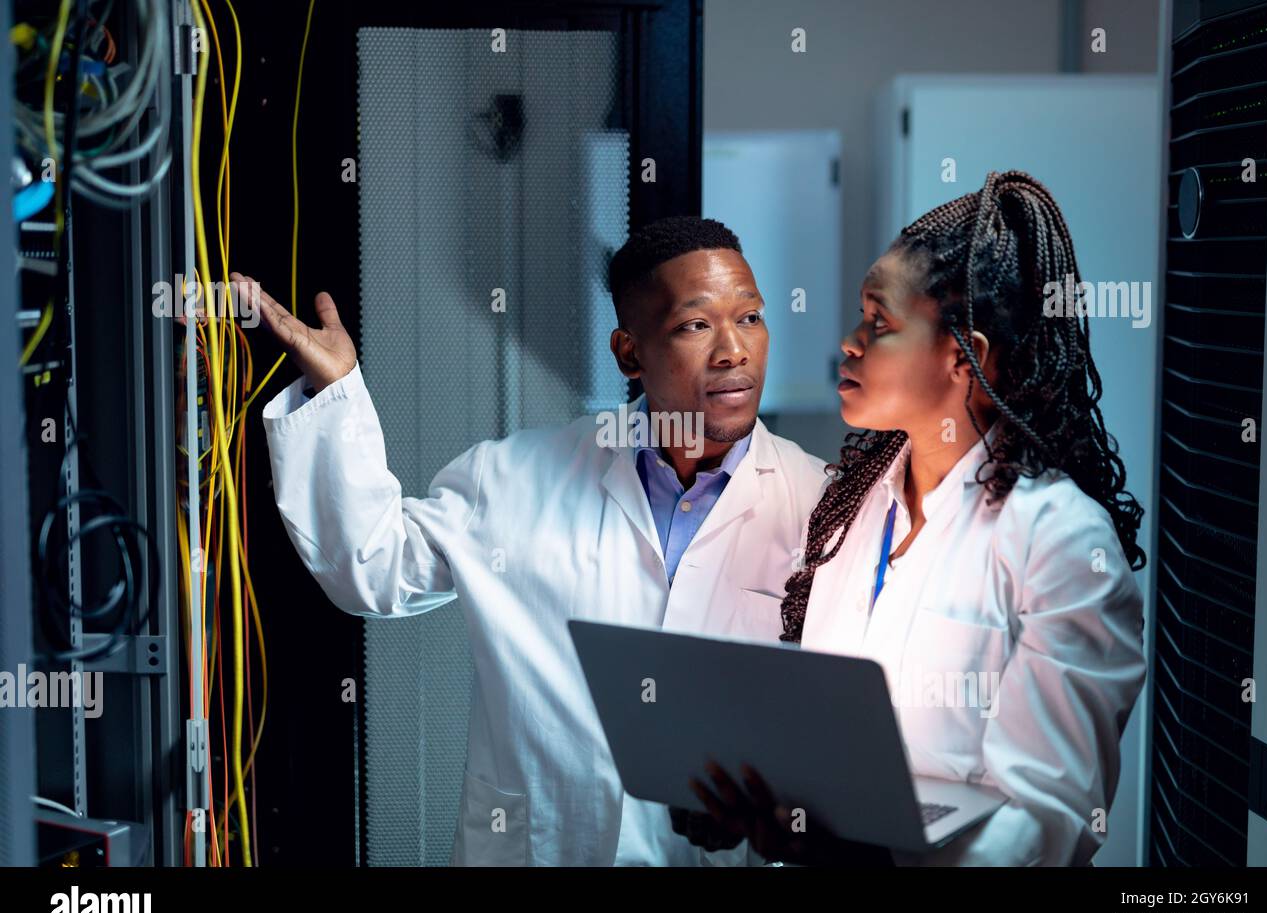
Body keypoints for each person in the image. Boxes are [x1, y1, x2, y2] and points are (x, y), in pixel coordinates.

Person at [238, 216, 829, 865]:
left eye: (750, 318)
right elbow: (373, 566)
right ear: (629, 353)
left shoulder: (823, 505)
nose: (734, 351)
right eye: (696, 325)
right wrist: (336, 390)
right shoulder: (517, 478)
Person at [689, 171, 1148, 867]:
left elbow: (1049, 822)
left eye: (879, 323)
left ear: (965, 356)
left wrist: (866, 857)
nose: (849, 342)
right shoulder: (851, 507)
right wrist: (750, 802)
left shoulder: (1057, 541)